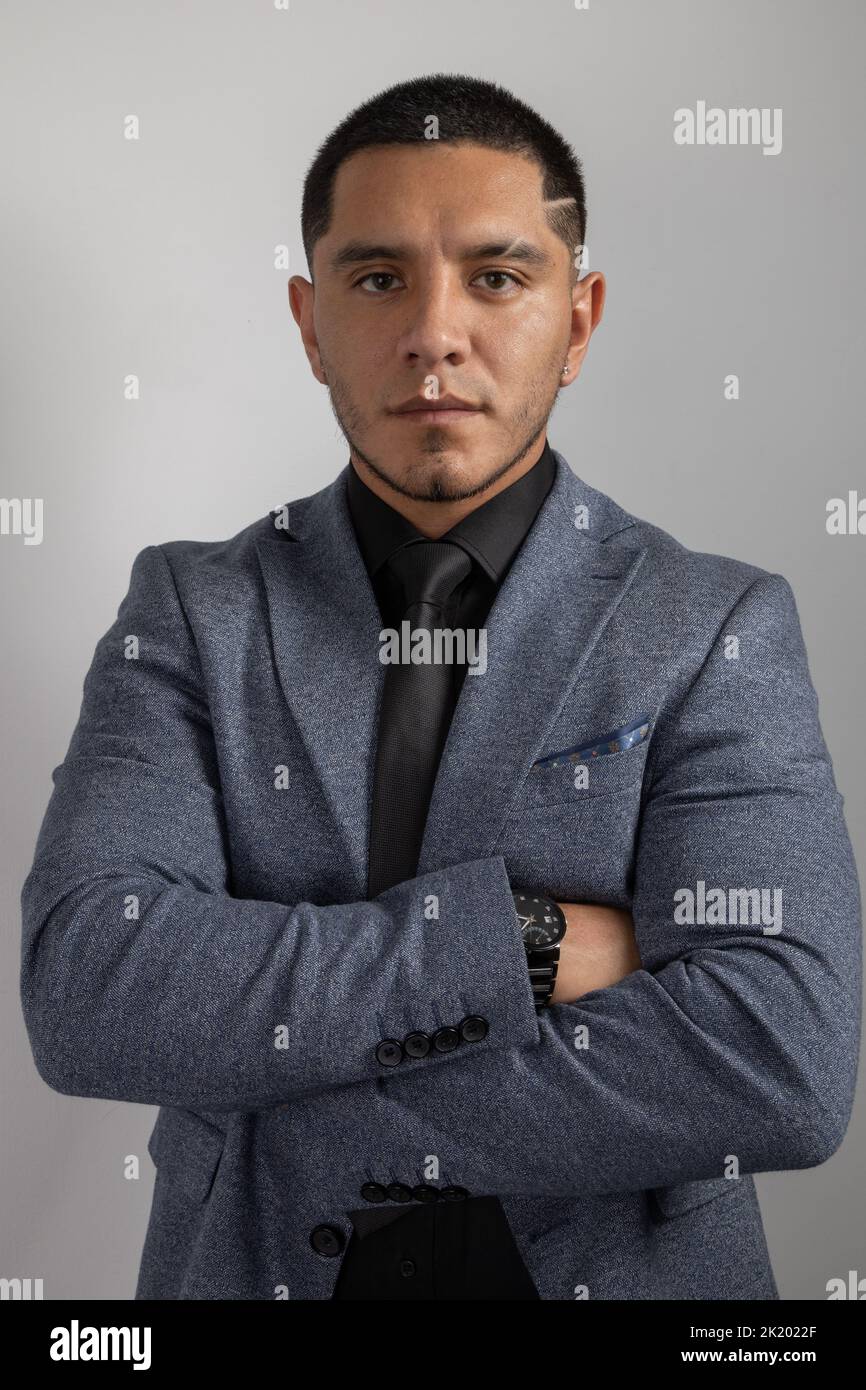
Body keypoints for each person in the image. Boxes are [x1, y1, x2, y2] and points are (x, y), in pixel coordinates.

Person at [20, 73, 860, 1301]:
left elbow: (773, 1060)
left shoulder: (715, 622)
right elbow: (91, 987)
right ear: (309, 323)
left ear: (578, 320)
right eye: (377, 280)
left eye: (496, 276)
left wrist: (295, 1111)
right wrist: (516, 947)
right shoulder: (194, 612)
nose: (432, 332)